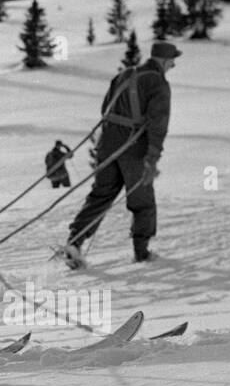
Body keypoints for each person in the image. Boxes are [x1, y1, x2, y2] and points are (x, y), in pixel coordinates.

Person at [62, 41, 179, 269]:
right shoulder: (159, 83)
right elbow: (159, 124)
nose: (173, 64)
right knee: (142, 200)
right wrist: (152, 157)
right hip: (134, 147)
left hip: (107, 143)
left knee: (101, 195)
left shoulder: (125, 74)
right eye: (172, 60)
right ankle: (142, 253)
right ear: (163, 60)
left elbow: (106, 107)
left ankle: (74, 243)